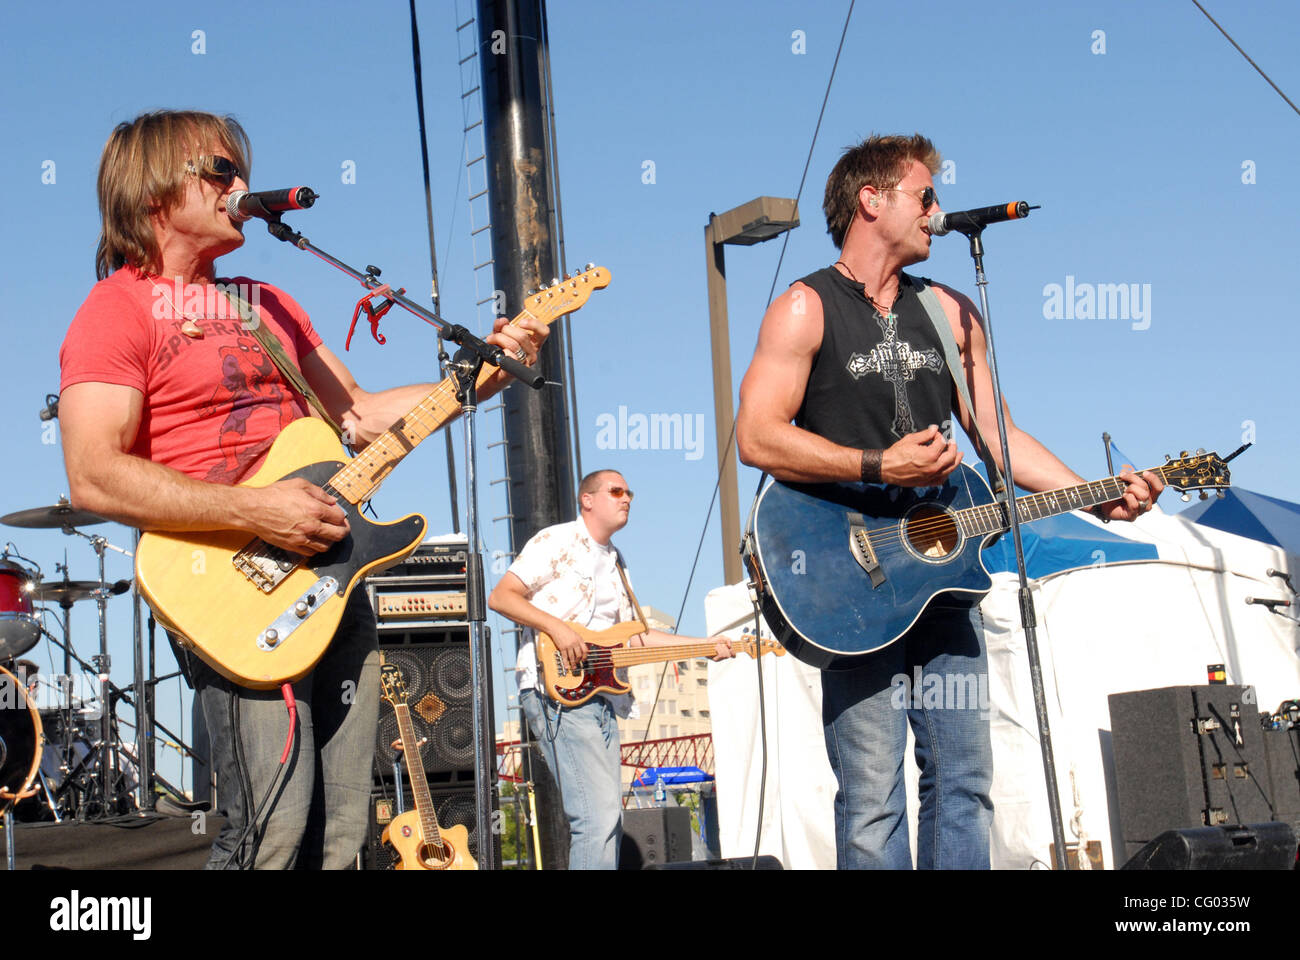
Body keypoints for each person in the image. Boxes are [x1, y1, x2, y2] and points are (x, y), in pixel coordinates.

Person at [58, 110, 547, 869]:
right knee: (271, 831)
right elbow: (92, 471)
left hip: (331, 573)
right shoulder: (115, 312)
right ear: (154, 190)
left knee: (344, 832)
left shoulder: (267, 304)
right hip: (231, 585)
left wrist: (478, 376)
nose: (243, 187)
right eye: (220, 171)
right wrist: (256, 509)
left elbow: (357, 418)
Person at [735, 133, 1163, 869]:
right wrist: (877, 464)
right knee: (873, 796)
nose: (937, 210)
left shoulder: (953, 312)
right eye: (924, 195)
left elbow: (997, 431)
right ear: (872, 201)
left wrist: (1092, 498)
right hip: (850, 581)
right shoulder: (804, 308)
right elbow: (757, 436)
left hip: (946, 574)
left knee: (966, 781)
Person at [488, 469, 733, 869]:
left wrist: (704, 647)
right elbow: (501, 596)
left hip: (601, 696)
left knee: (609, 818)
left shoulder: (618, 562)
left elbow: (634, 637)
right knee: (596, 818)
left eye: (629, 492)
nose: (626, 498)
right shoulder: (556, 540)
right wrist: (557, 628)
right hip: (558, 692)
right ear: (587, 499)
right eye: (616, 491)